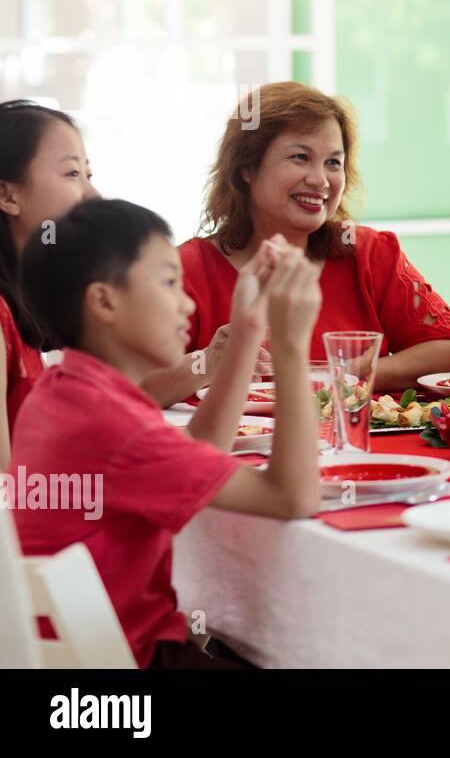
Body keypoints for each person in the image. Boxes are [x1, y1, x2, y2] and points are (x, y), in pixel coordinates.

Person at [10, 198, 323, 668]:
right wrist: (292, 347)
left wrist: (248, 329)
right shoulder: (111, 423)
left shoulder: (65, 391)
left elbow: (198, 453)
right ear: (104, 301)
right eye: (169, 282)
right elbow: (292, 498)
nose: (188, 303)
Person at [143, 82, 450, 406]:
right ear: (247, 167)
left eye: (333, 162)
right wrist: (204, 363)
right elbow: (125, 392)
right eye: (300, 157)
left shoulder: (369, 254)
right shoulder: (186, 268)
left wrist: (345, 374)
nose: (320, 180)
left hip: (364, 454)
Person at [0, 101, 100, 467]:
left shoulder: (34, 296)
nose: (94, 195)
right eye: (72, 174)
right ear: (7, 195)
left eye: (89, 175)